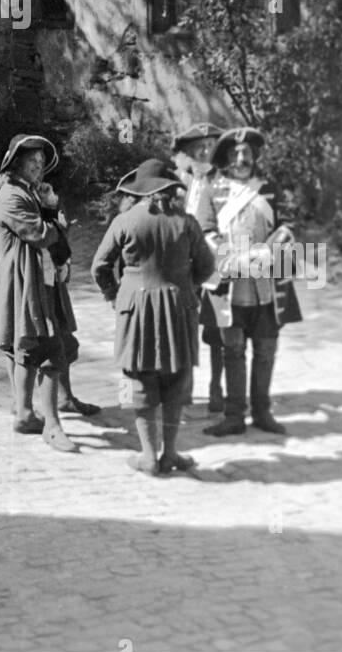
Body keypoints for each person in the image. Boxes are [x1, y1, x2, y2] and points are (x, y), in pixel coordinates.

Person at [91, 159, 215, 476]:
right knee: (176, 377)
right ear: (170, 189)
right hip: (179, 305)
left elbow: (99, 267)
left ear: (141, 191)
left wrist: (114, 294)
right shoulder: (186, 222)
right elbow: (206, 267)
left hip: (135, 306)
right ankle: (170, 452)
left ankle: (148, 455)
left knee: (141, 378)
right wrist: (188, 285)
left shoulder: (125, 221)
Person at [201, 127, 303, 438]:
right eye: (236, 153)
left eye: (247, 153)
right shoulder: (212, 192)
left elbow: (288, 224)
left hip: (267, 285)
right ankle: (234, 417)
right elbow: (205, 232)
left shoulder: (269, 188)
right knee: (232, 352)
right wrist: (235, 258)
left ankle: (262, 413)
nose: (243, 158)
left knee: (266, 351)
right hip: (229, 285)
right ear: (226, 158)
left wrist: (273, 248)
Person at [0, 134, 78, 453]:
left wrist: (50, 208)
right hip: (22, 282)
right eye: (32, 163)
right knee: (44, 350)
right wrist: (54, 215)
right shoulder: (11, 197)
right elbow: (39, 235)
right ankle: (51, 427)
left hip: (38, 278)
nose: (38, 168)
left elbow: (49, 231)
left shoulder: (29, 193)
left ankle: (24, 412)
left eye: (41, 163)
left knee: (23, 346)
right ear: (16, 165)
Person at [33, 179, 102, 418]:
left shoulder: (47, 195)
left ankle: (65, 398)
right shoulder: (21, 198)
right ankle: (28, 408)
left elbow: (60, 234)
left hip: (54, 278)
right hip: (37, 282)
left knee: (64, 340)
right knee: (39, 345)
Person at [172, 121, 224, 413]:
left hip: (215, 259)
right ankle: (185, 387)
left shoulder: (225, 182)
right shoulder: (179, 180)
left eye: (210, 147)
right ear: (189, 152)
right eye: (198, 148)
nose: (204, 152)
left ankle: (217, 388)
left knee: (217, 326)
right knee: (185, 326)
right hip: (184, 262)